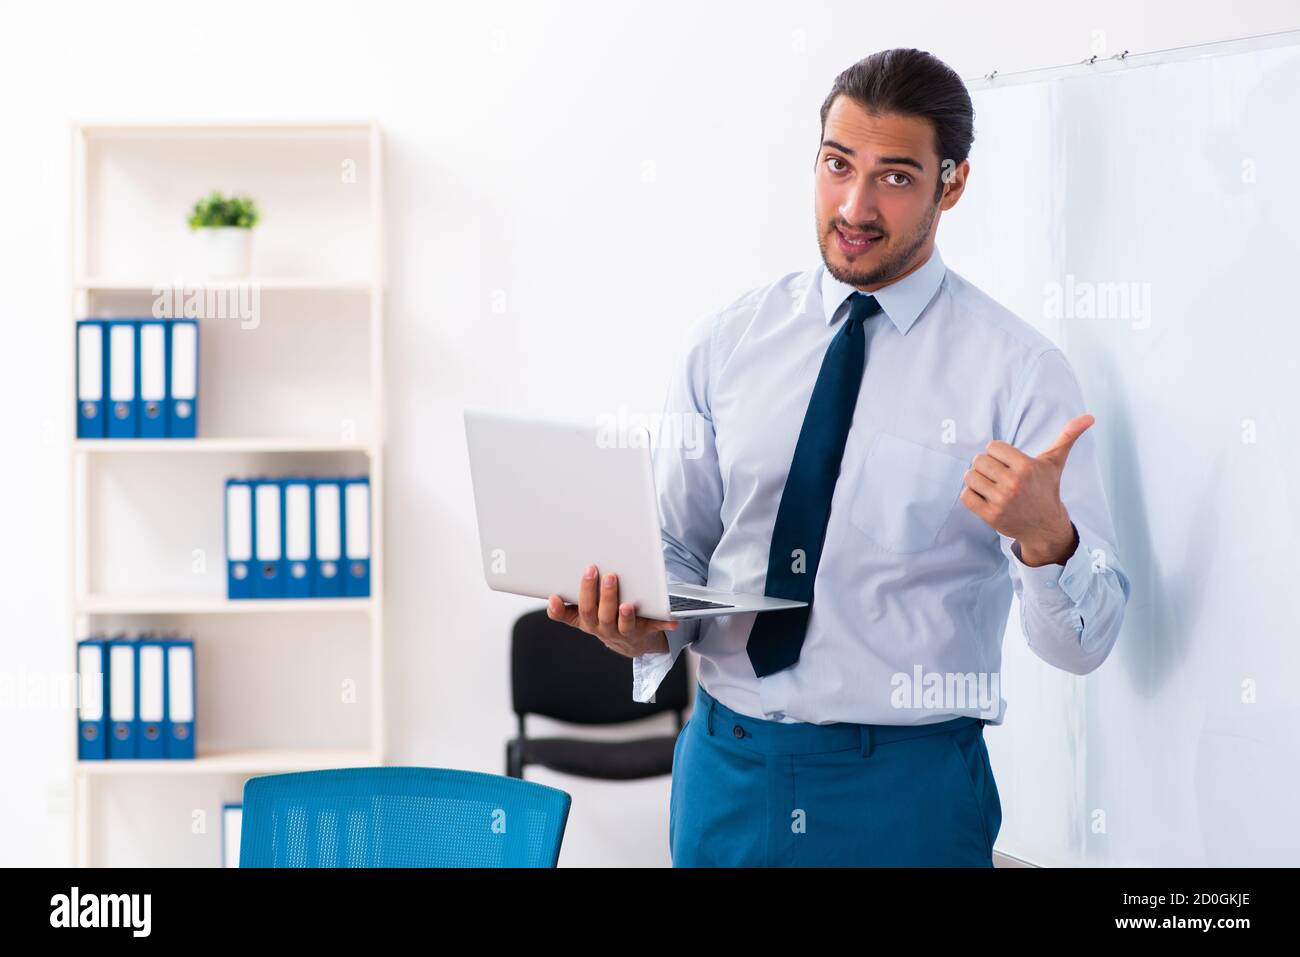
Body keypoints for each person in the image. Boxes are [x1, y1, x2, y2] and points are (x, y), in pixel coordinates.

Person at [546, 47, 1131, 866]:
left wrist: (1048, 541)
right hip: (727, 770)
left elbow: (1083, 645)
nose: (854, 205)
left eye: (894, 176)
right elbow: (680, 551)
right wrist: (637, 626)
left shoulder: (1018, 372)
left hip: (907, 792)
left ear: (951, 184)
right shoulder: (727, 342)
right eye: (837, 164)